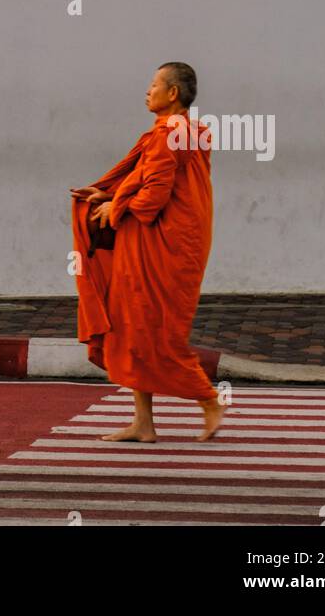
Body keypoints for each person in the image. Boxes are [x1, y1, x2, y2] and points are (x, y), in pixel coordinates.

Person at [69, 62, 227, 442]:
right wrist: (111, 195)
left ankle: (208, 399)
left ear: (172, 93)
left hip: (160, 246)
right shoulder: (180, 133)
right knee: (132, 327)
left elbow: (153, 198)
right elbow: (149, 182)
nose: (147, 90)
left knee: (155, 333)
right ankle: (144, 422)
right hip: (159, 242)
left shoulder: (170, 133)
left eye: (154, 84)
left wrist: (115, 207)